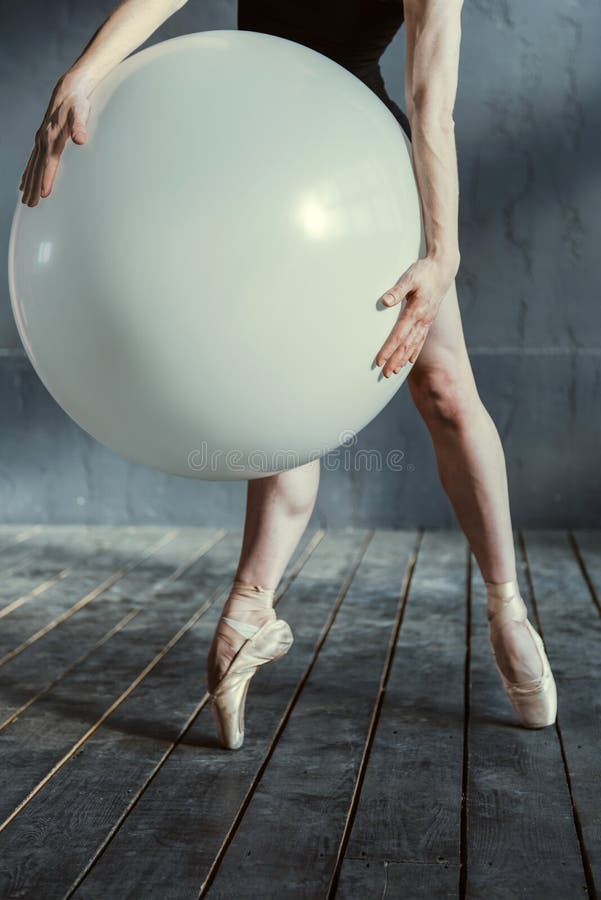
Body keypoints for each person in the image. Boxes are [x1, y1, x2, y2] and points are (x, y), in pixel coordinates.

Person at [19, 0, 557, 750]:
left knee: (438, 391)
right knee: (283, 386)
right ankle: (249, 608)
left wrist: (440, 255)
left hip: (355, 169)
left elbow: (432, 103)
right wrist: (83, 74)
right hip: (249, 153)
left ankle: (504, 611)